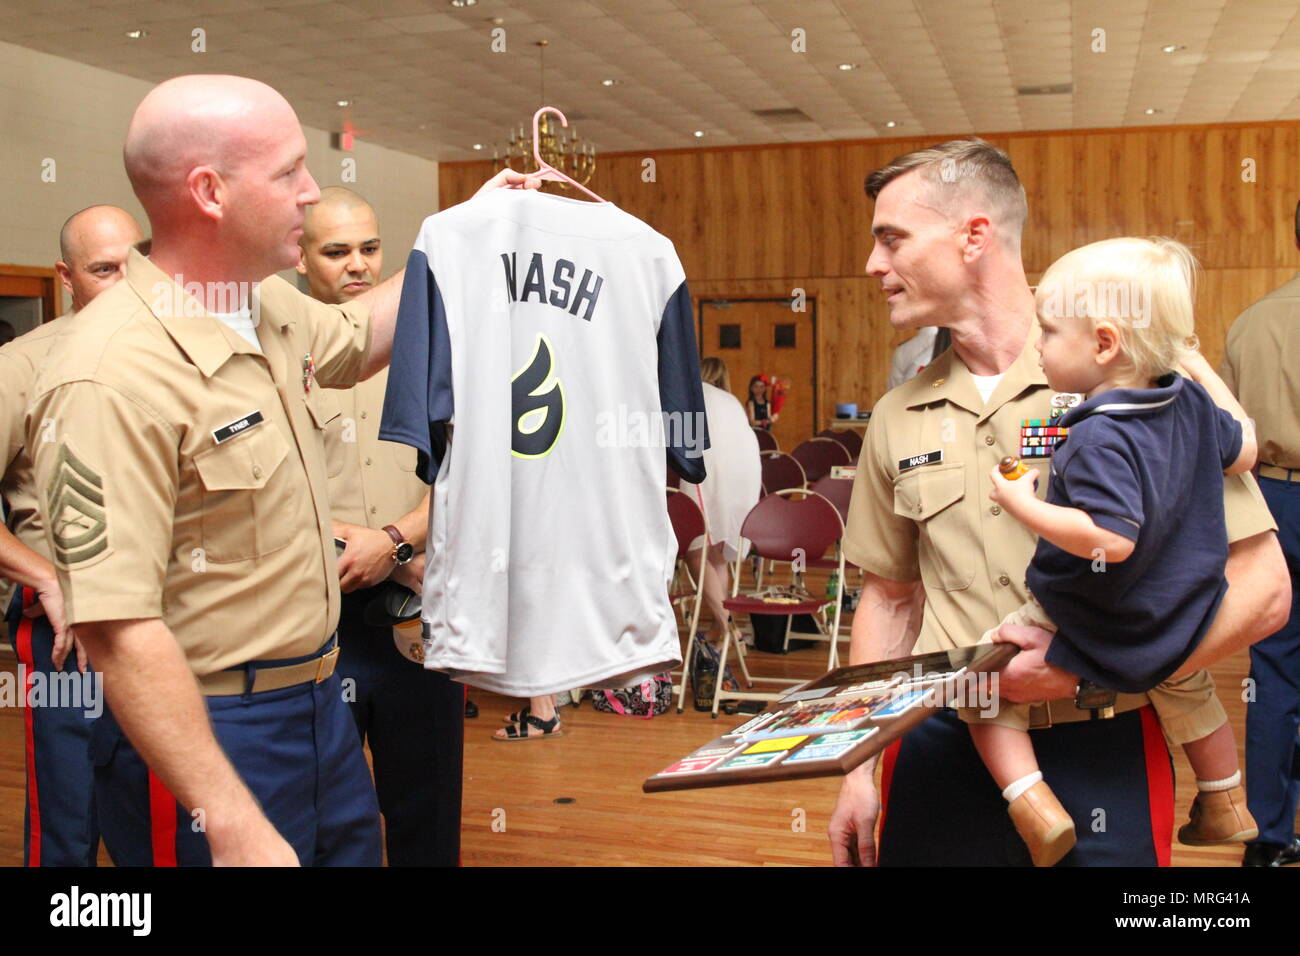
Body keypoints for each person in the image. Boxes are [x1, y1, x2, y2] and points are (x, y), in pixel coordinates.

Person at [27, 74, 538, 867]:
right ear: (210, 190)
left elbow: (364, 334)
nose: (310, 194)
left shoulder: (260, 302)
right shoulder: (109, 374)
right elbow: (118, 629)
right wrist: (228, 819)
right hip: (210, 734)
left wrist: (471, 227)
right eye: (289, 172)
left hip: (318, 711)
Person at [829, 137, 1289, 867]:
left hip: (1103, 744)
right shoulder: (896, 415)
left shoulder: (1140, 379)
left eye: (892, 239)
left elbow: (1264, 592)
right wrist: (856, 769)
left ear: (974, 236)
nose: (873, 265)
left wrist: (1091, 666)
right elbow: (888, 601)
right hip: (941, 745)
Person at [967, 237, 1257, 866]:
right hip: (1182, 612)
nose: (1036, 346)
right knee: (1188, 684)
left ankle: (1032, 804)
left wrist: (1020, 501)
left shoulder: (1096, 433)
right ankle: (1225, 799)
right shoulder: (1194, 405)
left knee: (981, 685)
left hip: (1095, 611)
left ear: (1103, 344)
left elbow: (1110, 540)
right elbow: (1247, 450)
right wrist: (1193, 363)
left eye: (1047, 331)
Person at [298, 186, 464, 866]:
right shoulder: (279, 354)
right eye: (336, 251)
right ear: (299, 256)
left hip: (415, 612)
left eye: (370, 249)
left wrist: (396, 545)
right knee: (324, 818)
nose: (358, 265)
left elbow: (467, 473)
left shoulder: (428, 344)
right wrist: (370, 546)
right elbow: (272, 494)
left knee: (425, 808)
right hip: (313, 617)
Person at [0, 204, 144, 866]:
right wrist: (44, 577)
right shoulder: (20, 367)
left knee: (166, 822)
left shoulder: (178, 354)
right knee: (69, 820)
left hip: (168, 630)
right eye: (103, 269)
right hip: (66, 639)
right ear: (65, 277)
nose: (123, 282)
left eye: (134, 264)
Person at [1221, 206, 1300, 867]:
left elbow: (1227, 433)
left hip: (1268, 502)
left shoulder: (1251, 322)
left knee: (1273, 676)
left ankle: (1270, 838)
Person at [691, 357, 761, 647]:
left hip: (708, 473)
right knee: (717, 552)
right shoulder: (731, 400)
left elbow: (684, 442)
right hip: (744, 476)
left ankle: (730, 628)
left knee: (695, 551)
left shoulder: (693, 396)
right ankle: (721, 629)